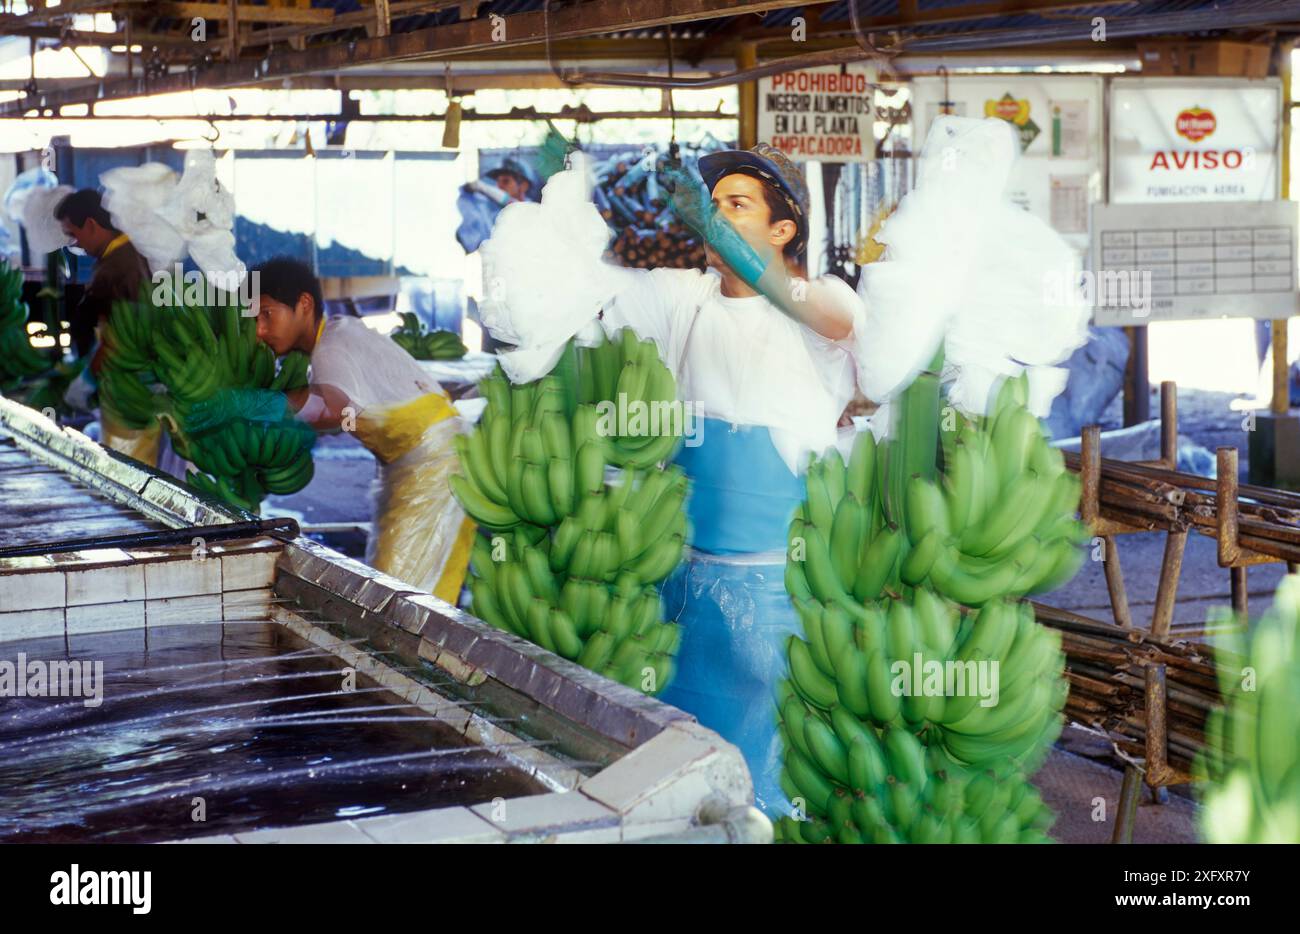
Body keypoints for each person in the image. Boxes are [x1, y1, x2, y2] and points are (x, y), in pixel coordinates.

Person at [480, 143, 863, 816]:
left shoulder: (821, 305)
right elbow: (584, 304)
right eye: (709, 206)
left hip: (781, 595)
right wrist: (564, 217)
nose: (716, 217)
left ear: (784, 229)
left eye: (736, 206)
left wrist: (714, 232)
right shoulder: (679, 300)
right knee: (677, 773)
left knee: (772, 779)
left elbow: (830, 317)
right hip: (681, 591)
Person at [186, 257, 475, 603]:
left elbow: (330, 408)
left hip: (436, 468)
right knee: (392, 585)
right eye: (254, 319)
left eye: (267, 314)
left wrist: (249, 406)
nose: (260, 330)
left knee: (405, 599)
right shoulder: (340, 335)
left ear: (304, 305)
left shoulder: (332, 347)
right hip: (414, 466)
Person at [55, 188, 158, 464]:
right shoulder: (130, 252)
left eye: (74, 234)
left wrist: (86, 379)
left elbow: (117, 340)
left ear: (91, 224)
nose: (75, 243)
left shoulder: (119, 268)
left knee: (130, 471)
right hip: (128, 388)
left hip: (128, 391)